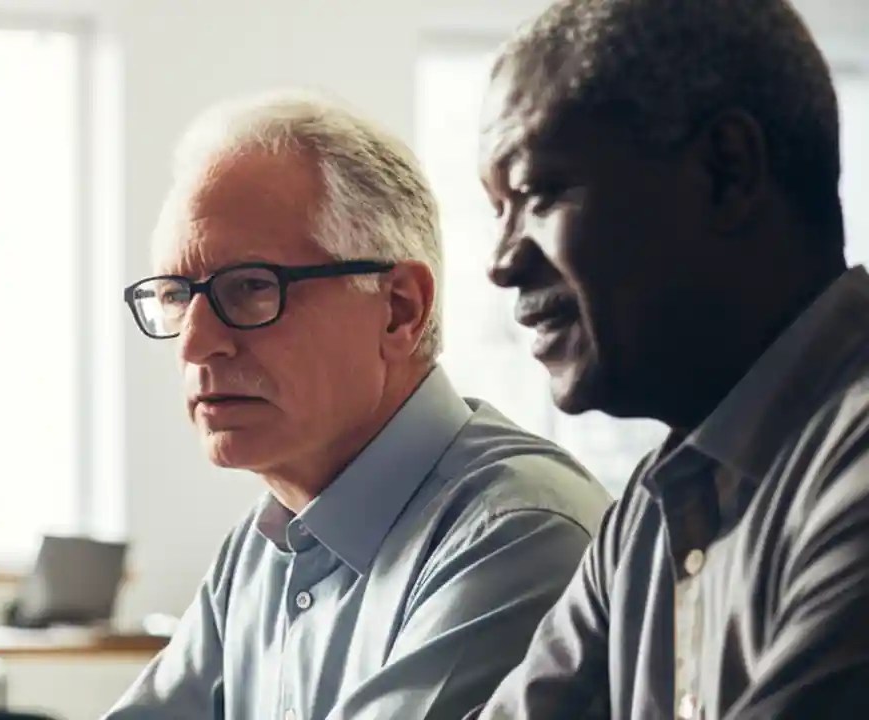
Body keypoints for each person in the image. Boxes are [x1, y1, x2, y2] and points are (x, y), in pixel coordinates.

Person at [107, 91, 611, 720]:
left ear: (399, 307)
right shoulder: (261, 545)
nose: (196, 343)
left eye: (251, 287)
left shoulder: (520, 531)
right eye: (178, 296)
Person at [471, 1, 869, 718]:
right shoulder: (649, 516)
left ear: (726, 171)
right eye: (496, 207)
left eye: (538, 191)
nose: (501, 263)